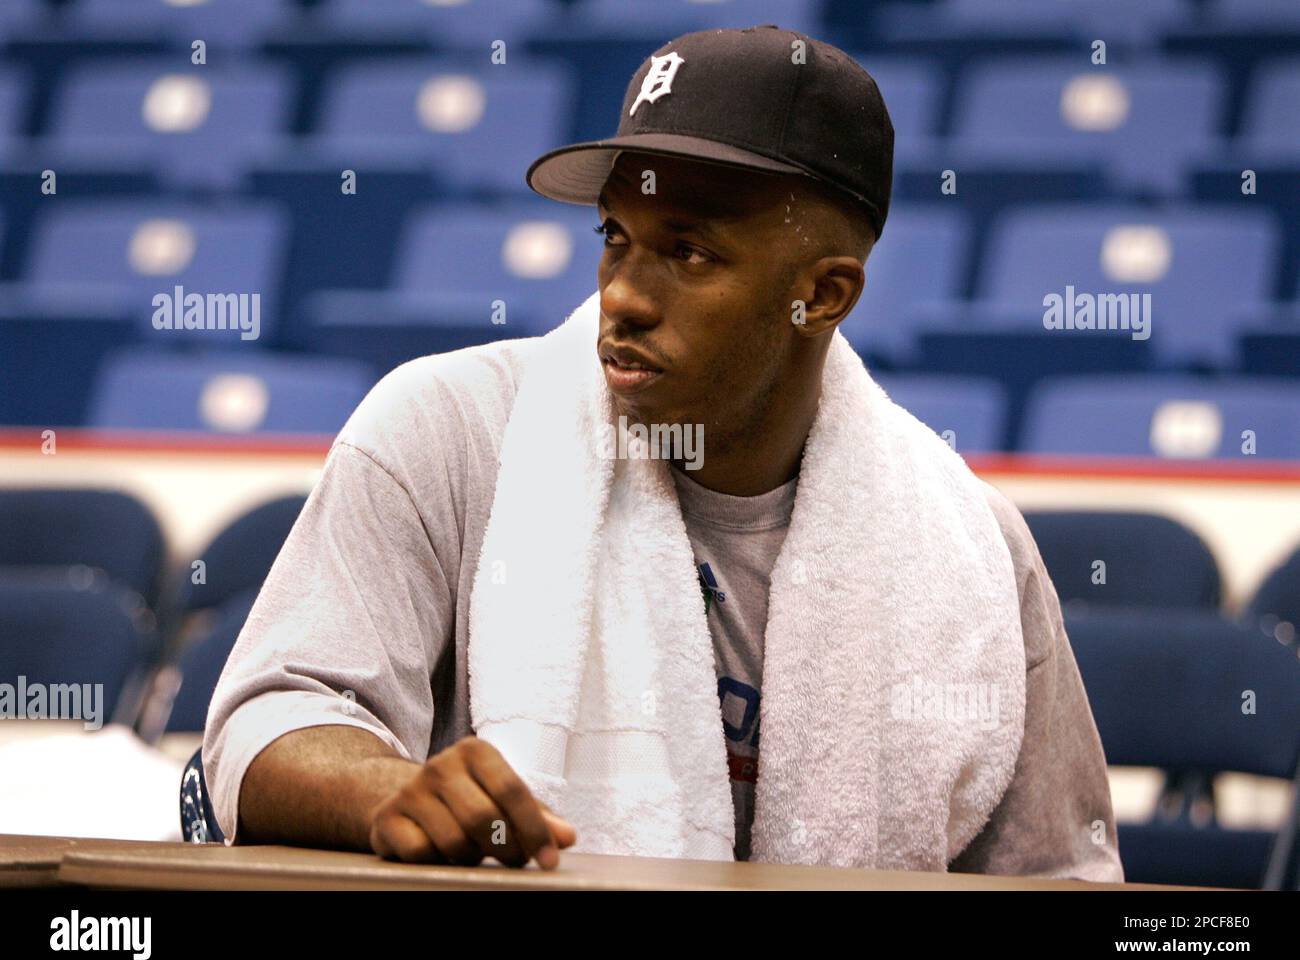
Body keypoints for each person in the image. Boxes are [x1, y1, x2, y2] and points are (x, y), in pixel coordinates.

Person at [204, 25, 1123, 880]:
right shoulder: (446, 429)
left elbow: (1062, 872)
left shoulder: (971, 547)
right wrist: (379, 786)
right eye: (615, 237)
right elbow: (264, 721)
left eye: (688, 253)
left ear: (825, 294)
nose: (624, 298)